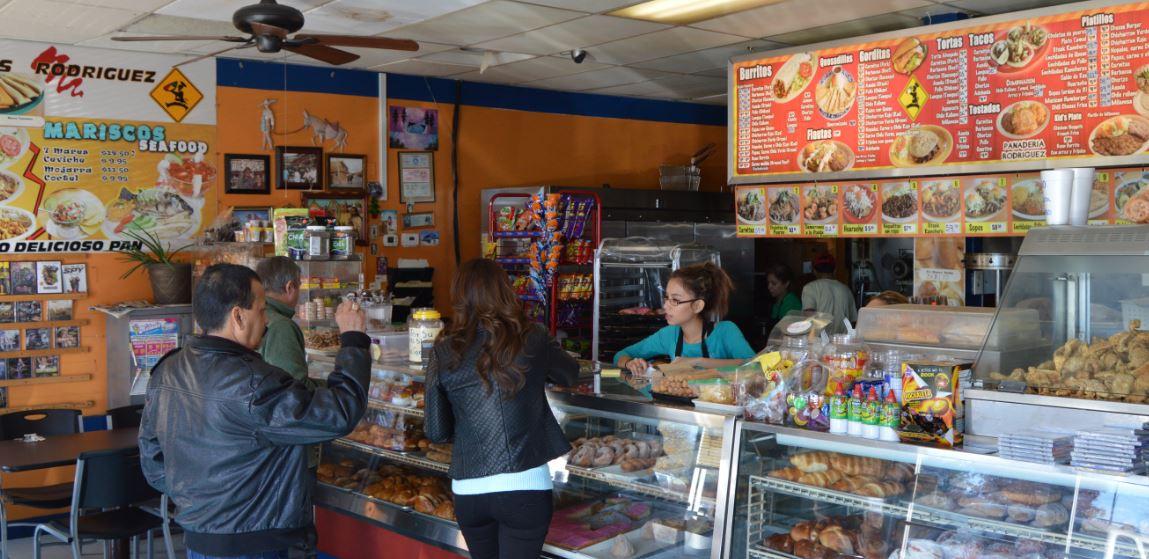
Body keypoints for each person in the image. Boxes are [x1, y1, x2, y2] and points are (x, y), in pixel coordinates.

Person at [139, 264, 370, 559]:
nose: (266, 320)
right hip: (253, 542)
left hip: (199, 540)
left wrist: (200, 503)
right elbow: (338, 414)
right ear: (238, 316)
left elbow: (153, 460)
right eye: (261, 311)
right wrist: (353, 340)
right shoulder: (253, 383)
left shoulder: (167, 370)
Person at [424, 259, 579, 559]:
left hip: (469, 491)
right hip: (525, 487)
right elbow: (569, 374)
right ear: (505, 290)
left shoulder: (443, 349)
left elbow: (436, 431)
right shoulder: (533, 336)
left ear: (459, 297)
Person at [615, 262, 755, 374]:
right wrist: (630, 363)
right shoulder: (669, 335)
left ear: (697, 306)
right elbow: (621, 355)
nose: (666, 306)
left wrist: (697, 362)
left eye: (675, 300)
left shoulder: (726, 331)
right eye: (667, 298)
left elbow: (756, 366)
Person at [257, 256, 309, 382]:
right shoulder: (282, 327)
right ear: (289, 287)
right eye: (299, 286)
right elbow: (296, 387)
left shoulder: (257, 313)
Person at [801, 252, 857, 335]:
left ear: (814, 271)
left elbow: (809, 316)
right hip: (842, 340)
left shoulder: (810, 288)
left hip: (819, 341)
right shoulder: (846, 289)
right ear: (835, 270)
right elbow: (853, 321)